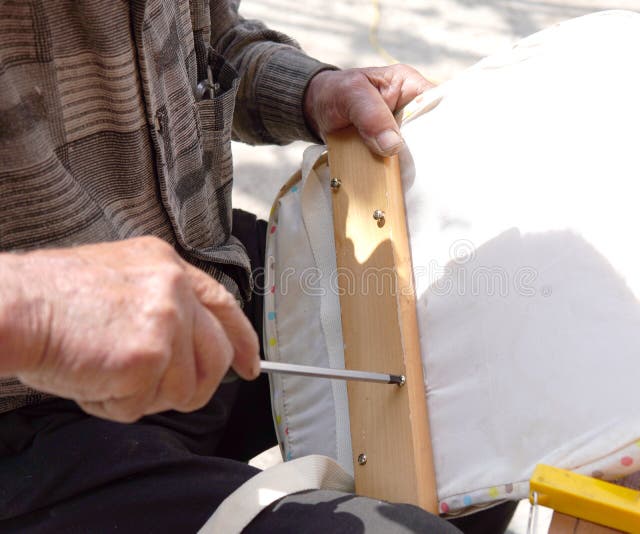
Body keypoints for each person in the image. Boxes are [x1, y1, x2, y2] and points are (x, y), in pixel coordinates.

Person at [0, 1, 518, 532]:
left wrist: (313, 91)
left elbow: (209, 42)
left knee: (483, 412)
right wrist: (35, 311)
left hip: (212, 271)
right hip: (26, 415)